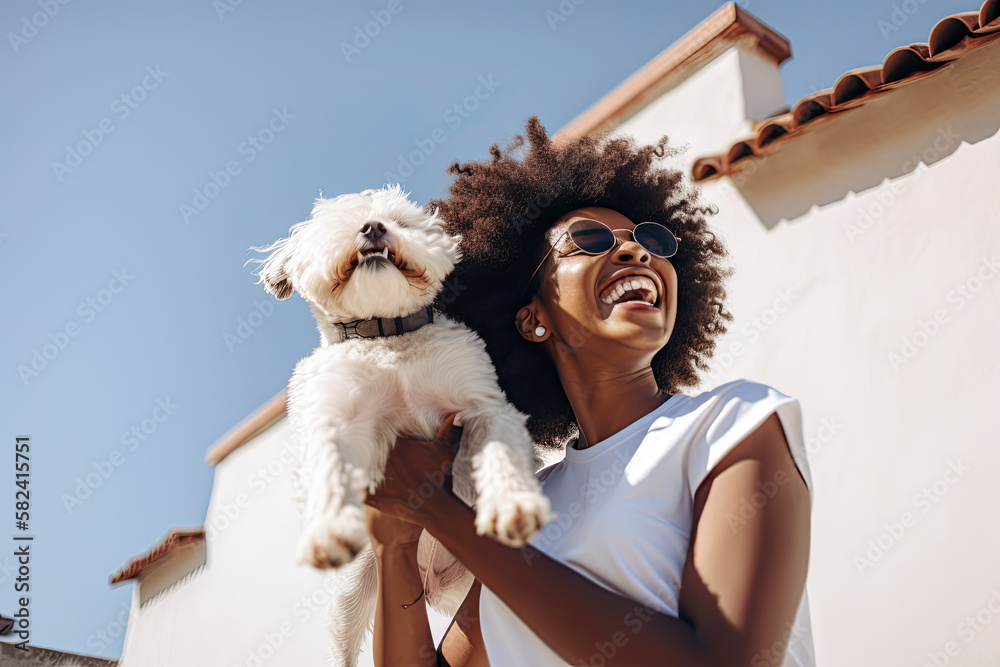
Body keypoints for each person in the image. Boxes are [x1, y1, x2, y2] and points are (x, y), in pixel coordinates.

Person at [363, 116, 815, 666]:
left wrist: (441, 512)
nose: (637, 253)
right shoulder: (531, 508)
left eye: (651, 241)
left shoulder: (734, 423)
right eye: (589, 241)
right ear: (532, 319)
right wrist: (396, 545)